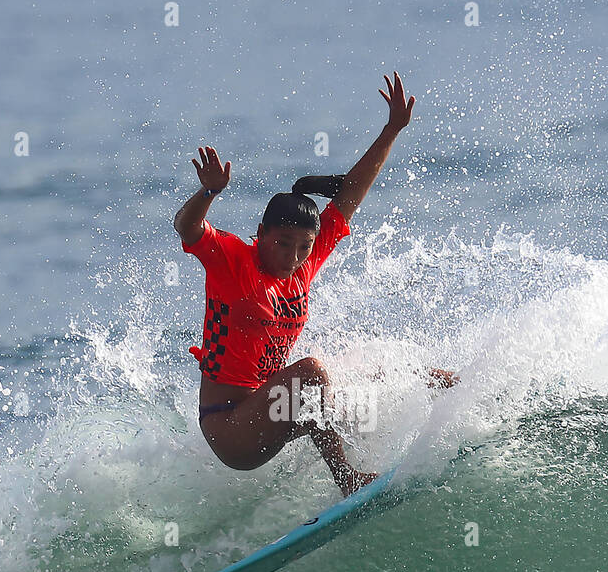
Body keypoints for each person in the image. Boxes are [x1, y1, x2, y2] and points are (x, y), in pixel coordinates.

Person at [174, 71, 457, 497]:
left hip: (270, 407)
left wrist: (392, 129)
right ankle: (347, 479)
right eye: (281, 244)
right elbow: (187, 227)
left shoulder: (304, 263)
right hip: (229, 426)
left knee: (370, 365)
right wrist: (208, 193)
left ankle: (458, 393)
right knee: (311, 372)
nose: (292, 257)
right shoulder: (231, 260)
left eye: (303, 247)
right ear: (261, 234)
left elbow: (350, 196)